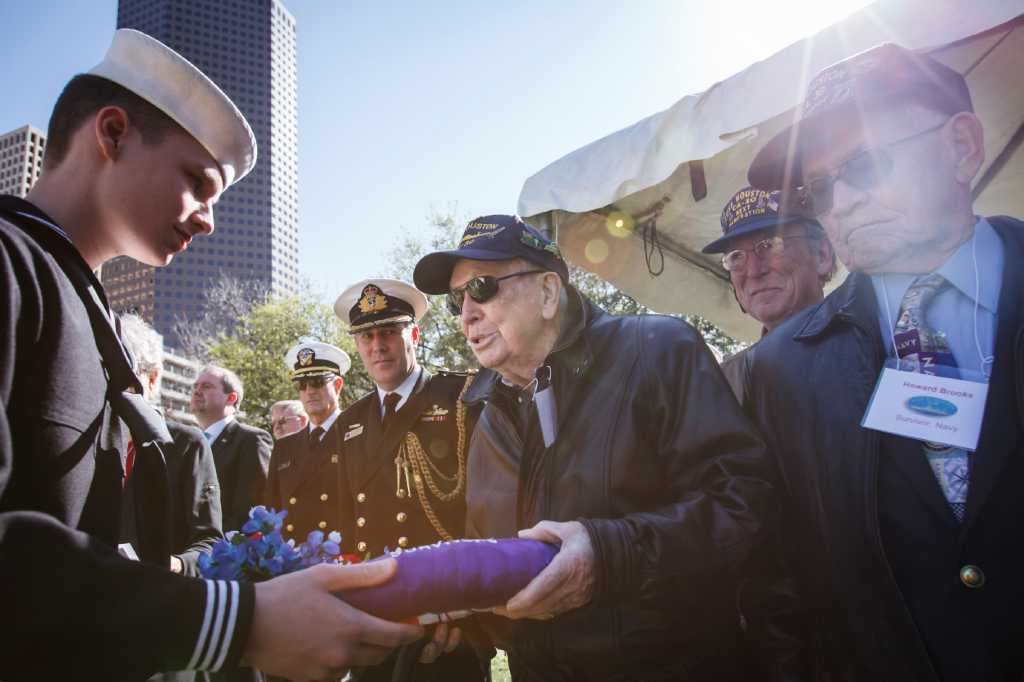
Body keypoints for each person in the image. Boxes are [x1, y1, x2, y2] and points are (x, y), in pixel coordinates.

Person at [0, 29, 420, 681]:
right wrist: (229, 620)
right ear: (111, 134)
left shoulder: (90, 312)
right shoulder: (10, 269)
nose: (208, 220)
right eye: (197, 182)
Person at [413, 215, 803, 680]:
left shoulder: (658, 350)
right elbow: (505, 559)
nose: (466, 315)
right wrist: (453, 611)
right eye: (457, 300)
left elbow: (746, 505)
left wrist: (609, 556)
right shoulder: (485, 412)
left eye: (481, 288)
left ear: (547, 293)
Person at [745, 43, 1023, 680]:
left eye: (864, 164)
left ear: (961, 147)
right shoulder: (783, 368)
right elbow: (779, 581)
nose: (839, 202)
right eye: (818, 187)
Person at [333, 278, 488, 681]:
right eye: (366, 336)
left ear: (413, 334)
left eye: (389, 331)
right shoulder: (349, 422)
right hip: (374, 614)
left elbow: (487, 510)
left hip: (449, 618)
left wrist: (472, 615)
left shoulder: (462, 397)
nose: (377, 345)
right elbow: (347, 520)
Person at [701, 186, 835, 402]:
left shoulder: (880, 343)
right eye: (736, 257)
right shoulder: (723, 384)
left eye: (770, 245)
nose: (754, 271)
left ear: (821, 255)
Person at [120, 313, 223, 577]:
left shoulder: (187, 445)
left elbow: (210, 542)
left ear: (152, 378)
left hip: (160, 598)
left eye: (126, 378)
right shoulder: (86, 443)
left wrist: (176, 564)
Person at [263, 342, 351, 543]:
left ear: (338, 385)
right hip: (292, 557)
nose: (309, 391)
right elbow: (272, 509)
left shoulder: (356, 435)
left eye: (318, 382)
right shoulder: (284, 447)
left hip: (340, 556)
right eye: (302, 385)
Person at [191, 365, 272, 534]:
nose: (197, 391)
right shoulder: (190, 443)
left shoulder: (251, 440)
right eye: (195, 386)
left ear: (231, 398)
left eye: (206, 386)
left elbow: (252, 511)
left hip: (222, 552)